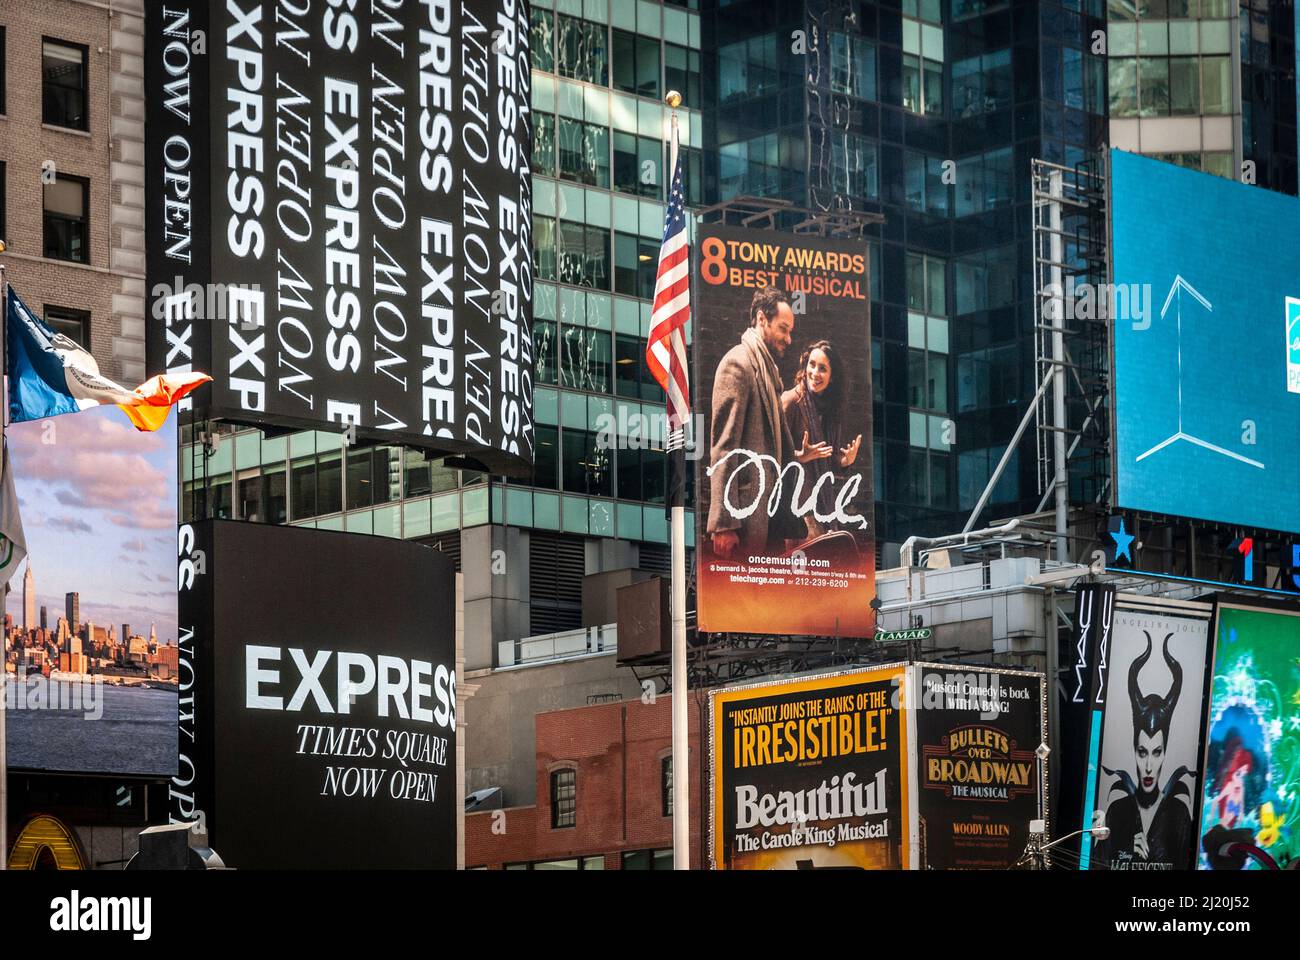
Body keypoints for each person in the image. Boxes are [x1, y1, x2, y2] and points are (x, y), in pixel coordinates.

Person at [707, 287, 822, 558]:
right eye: (783, 328)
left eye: (790, 331)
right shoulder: (738, 364)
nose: (789, 338)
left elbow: (764, 445)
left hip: (767, 520)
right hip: (744, 522)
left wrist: (795, 456)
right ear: (761, 319)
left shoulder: (767, 370)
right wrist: (723, 525)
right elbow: (724, 449)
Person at [1094, 633, 1195, 869]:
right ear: (1134, 751)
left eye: (1156, 752)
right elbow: (1095, 863)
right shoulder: (1116, 812)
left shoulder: (1179, 814)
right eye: (1142, 752)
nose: (1149, 766)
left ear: (1165, 753)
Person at [780, 340, 862, 539]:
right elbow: (770, 454)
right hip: (794, 511)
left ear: (832, 377)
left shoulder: (830, 411)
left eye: (823, 368)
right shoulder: (790, 401)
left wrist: (843, 463)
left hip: (820, 508)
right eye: (812, 364)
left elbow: (824, 464)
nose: (815, 373)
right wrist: (800, 456)